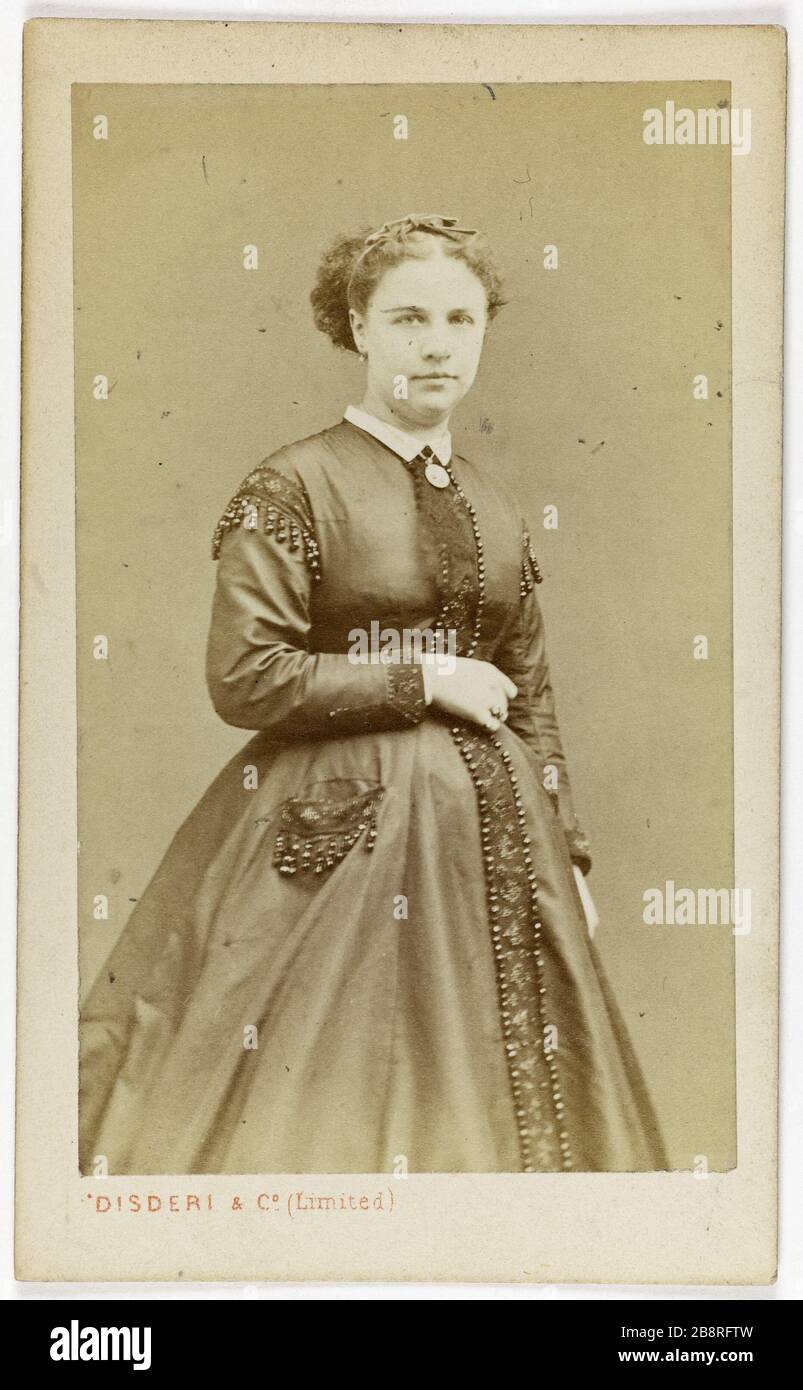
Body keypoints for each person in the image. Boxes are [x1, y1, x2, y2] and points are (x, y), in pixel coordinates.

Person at [79, 212, 669, 1175]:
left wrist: (571, 857)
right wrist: (423, 679)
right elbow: (247, 675)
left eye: (460, 320)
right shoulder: (294, 484)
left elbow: (530, 693)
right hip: (336, 841)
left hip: (500, 850)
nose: (437, 345)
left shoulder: (495, 503)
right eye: (406, 320)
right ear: (357, 328)